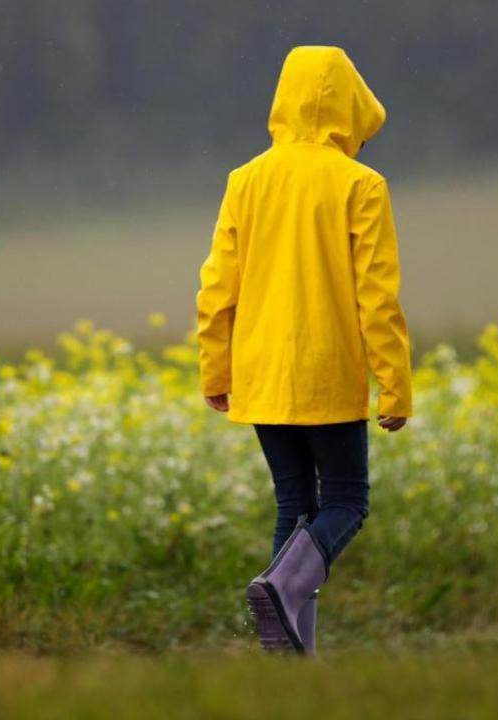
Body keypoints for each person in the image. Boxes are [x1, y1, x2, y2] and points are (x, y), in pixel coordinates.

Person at [195, 45, 412, 656]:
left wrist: (216, 367)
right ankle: (284, 594)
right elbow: (378, 297)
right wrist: (394, 385)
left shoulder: (246, 180)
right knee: (347, 500)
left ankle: (290, 656)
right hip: (327, 374)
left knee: (294, 503)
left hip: (261, 374)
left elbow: (218, 287)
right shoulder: (361, 185)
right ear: (349, 106)